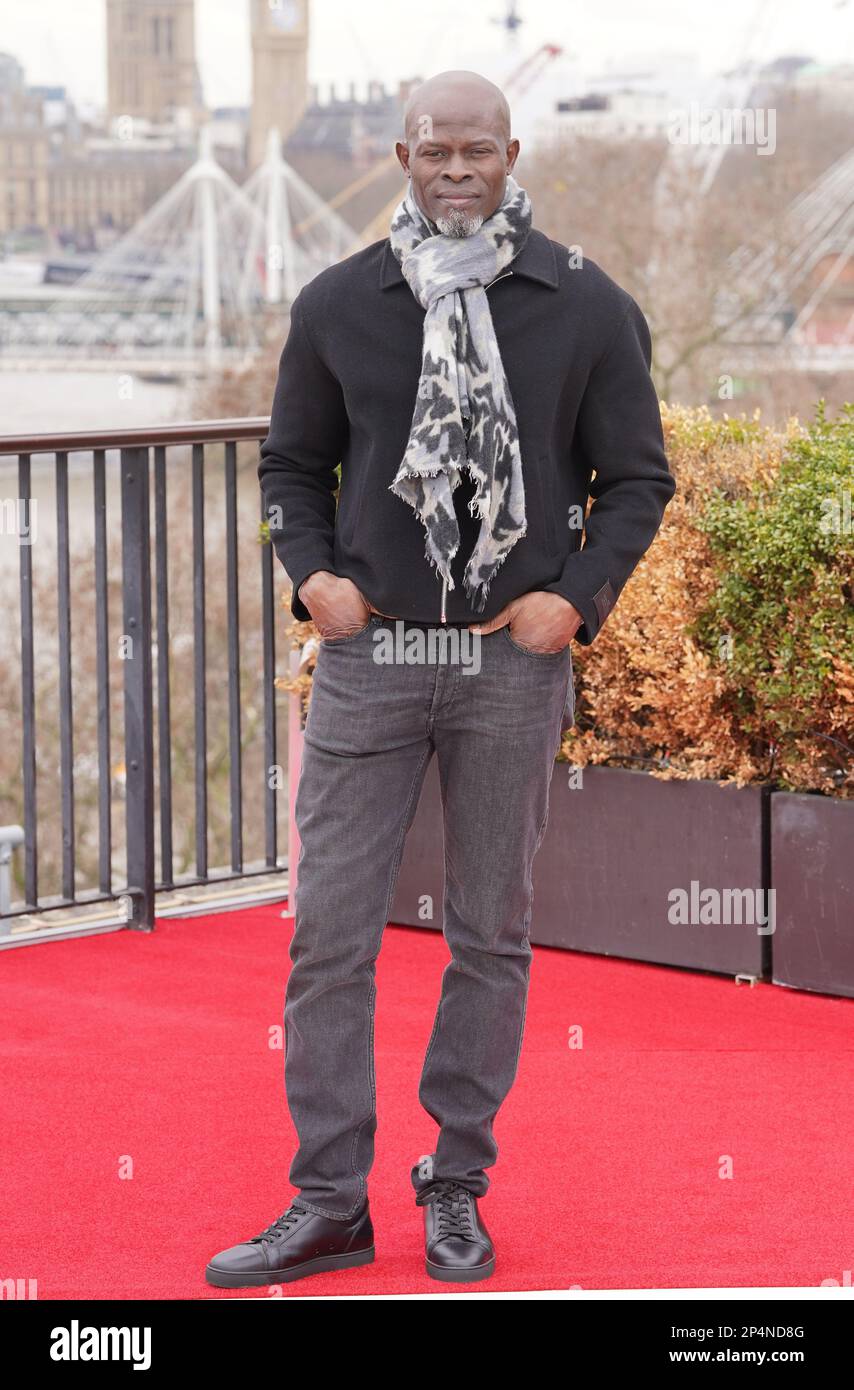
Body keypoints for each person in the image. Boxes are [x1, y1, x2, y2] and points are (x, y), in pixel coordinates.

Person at [206, 69, 675, 1289]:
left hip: (503, 669)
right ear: (402, 157)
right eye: (434, 149)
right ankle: (325, 1202)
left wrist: (573, 597)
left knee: (490, 935)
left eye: (478, 148)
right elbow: (289, 467)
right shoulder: (336, 304)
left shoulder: (581, 305)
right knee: (327, 939)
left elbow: (635, 479)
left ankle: (454, 1184)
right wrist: (311, 576)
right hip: (369, 661)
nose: (456, 168)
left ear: (510, 152)